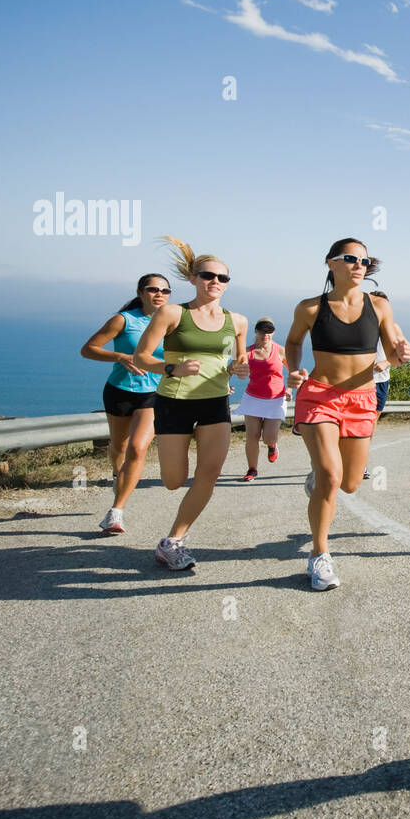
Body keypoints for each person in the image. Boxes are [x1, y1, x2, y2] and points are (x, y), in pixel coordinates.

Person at [284, 239, 410, 590]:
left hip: (361, 400)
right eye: (350, 259)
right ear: (331, 264)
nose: (359, 265)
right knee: (330, 475)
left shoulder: (380, 305)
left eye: (364, 260)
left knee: (351, 484)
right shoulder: (310, 308)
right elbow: (293, 343)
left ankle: (320, 478)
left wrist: (403, 353)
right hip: (319, 397)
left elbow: (393, 354)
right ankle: (319, 555)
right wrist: (293, 370)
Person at [134, 237, 248, 571]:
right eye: (207, 276)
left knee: (208, 475)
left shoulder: (237, 321)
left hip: (215, 403)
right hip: (174, 402)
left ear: (227, 284)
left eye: (222, 278)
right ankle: (172, 537)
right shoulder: (172, 313)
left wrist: (238, 369)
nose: (215, 282)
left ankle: (172, 542)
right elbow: (141, 356)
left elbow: (238, 362)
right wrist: (172, 368)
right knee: (173, 480)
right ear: (193, 279)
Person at [79, 274, 171, 533]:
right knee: (118, 447)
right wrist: (120, 356)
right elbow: (88, 349)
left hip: (154, 393)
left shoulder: (171, 322)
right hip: (119, 391)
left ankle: (116, 511)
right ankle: (117, 476)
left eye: (165, 290)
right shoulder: (124, 319)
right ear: (141, 292)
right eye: (153, 289)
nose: (159, 294)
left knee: (138, 448)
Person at [238, 317, 288, 481]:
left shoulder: (280, 350)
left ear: (273, 332)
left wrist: (291, 389)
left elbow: (294, 371)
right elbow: (234, 369)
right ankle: (252, 470)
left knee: (268, 437)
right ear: (256, 331)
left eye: (269, 330)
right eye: (262, 329)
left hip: (276, 398)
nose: (265, 333)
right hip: (253, 397)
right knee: (252, 436)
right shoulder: (247, 352)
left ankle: (272, 445)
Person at [365, 290, 392, 481]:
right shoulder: (361, 326)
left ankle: (360, 462)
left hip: (382, 381)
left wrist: (386, 362)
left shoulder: (391, 327)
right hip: (361, 384)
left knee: (371, 427)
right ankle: (357, 464)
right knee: (360, 426)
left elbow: (397, 353)